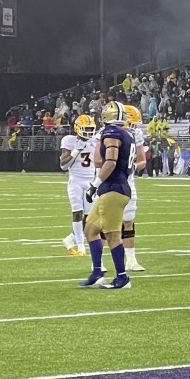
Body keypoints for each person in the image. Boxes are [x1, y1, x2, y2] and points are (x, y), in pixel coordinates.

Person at [77, 102, 136, 290]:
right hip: (116, 187)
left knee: (111, 235)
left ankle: (122, 277)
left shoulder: (112, 133)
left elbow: (110, 161)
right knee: (90, 230)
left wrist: (94, 185)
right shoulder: (125, 133)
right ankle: (97, 272)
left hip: (113, 188)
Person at [60, 114, 98, 257]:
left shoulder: (95, 141)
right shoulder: (69, 141)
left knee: (89, 217)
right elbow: (63, 165)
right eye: (85, 128)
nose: (88, 132)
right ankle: (81, 245)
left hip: (90, 181)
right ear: (77, 128)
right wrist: (77, 150)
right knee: (77, 212)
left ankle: (71, 238)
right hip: (75, 180)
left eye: (90, 129)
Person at [120, 105, 149, 272]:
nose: (133, 127)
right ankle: (98, 261)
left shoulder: (136, 134)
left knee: (128, 221)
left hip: (128, 180)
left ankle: (131, 260)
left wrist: (131, 168)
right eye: (131, 123)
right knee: (105, 222)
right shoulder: (107, 133)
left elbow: (142, 160)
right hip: (110, 181)